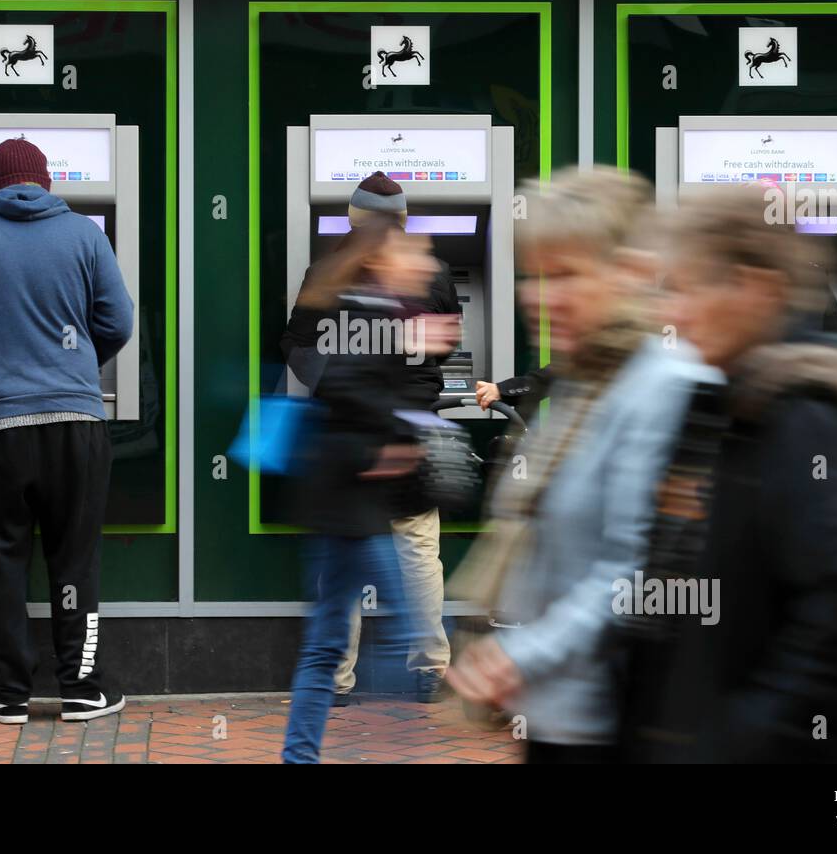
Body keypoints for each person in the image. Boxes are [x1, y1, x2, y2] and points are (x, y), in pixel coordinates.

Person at [617, 183, 837, 762]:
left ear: (754, 287)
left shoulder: (806, 417)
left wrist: (738, 739)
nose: (672, 313)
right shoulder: (723, 405)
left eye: (688, 288)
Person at [446, 167, 714, 762]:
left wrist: (520, 655)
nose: (539, 297)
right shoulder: (578, 384)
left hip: (620, 723)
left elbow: (634, 571)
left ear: (630, 272)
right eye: (533, 275)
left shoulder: (664, 387)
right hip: (556, 715)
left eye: (566, 274)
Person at [0, 138, 134, 725]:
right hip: (74, 426)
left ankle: (9, 693)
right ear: (47, 182)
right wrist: (77, 362)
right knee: (76, 563)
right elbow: (118, 321)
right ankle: (82, 689)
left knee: (3, 562)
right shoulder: (85, 234)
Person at [281, 172, 459, 705]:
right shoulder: (432, 271)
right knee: (418, 550)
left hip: (347, 436)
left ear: (352, 219)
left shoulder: (328, 272)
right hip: (409, 429)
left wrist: (330, 385)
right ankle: (429, 668)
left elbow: (295, 344)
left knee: (346, 555)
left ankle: (335, 678)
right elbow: (447, 346)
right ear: (403, 219)